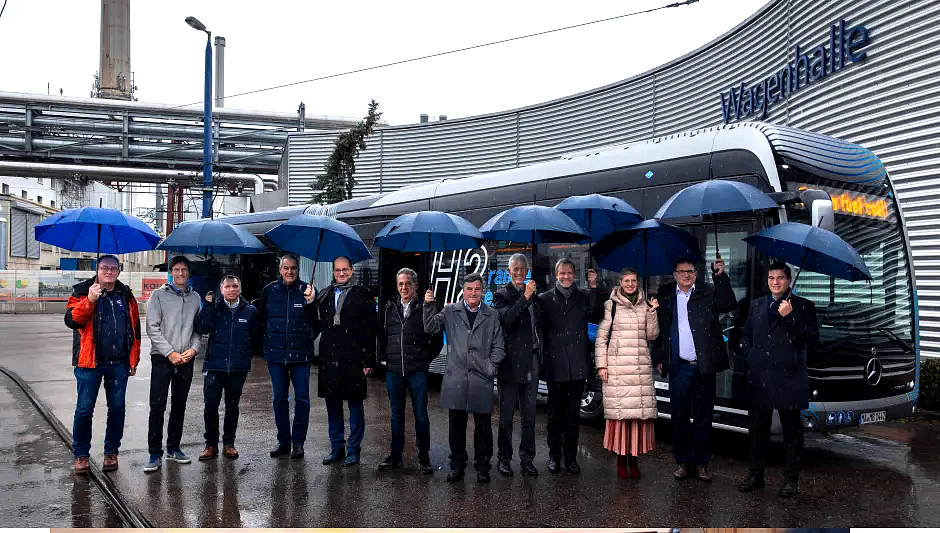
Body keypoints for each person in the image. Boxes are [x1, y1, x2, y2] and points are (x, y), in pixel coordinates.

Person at [651, 257, 736, 482]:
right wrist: (660, 358)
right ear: (675, 274)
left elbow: (728, 304)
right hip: (679, 366)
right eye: (682, 272)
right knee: (678, 417)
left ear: (696, 274)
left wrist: (721, 277)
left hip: (703, 367)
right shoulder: (666, 295)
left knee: (703, 417)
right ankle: (683, 462)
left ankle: (701, 463)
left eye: (690, 272)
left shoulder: (707, 292)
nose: (686, 275)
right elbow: (658, 329)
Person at [738, 262, 819, 497]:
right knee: (757, 431)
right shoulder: (756, 305)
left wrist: (790, 317)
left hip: (789, 378)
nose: (775, 282)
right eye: (771, 278)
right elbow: (746, 336)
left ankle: (791, 480)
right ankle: (756, 475)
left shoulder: (803, 306)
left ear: (789, 280)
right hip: (760, 376)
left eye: (780, 278)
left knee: (792, 433)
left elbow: (812, 339)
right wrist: (750, 356)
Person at [424, 273, 506, 483]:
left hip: (481, 377)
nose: (473, 293)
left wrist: (491, 367)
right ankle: (457, 464)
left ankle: (482, 466)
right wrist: (428, 305)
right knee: (456, 426)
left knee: (483, 427)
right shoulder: (451, 311)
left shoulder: (492, 314)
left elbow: (499, 346)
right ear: (463, 290)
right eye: (469, 289)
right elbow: (431, 327)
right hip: (457, 377)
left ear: (482, 291)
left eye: (477, 289)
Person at [65, 255, 141, 474]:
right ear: (96, 270)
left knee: (117, 409)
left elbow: (134, 329)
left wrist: (133, 358)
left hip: (118, 363)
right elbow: (72, 321)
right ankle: (81, 455)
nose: (109, 271)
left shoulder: (125, 294)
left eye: (113, 268)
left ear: (119, 271)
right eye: (104, 268)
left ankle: (111, 452)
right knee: (84, 410)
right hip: (90, 363)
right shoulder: (82, 291)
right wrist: (89, 300)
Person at [595, 268, 660, 479]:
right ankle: (621, 460)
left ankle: (634, 460)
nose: (630, 284)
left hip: (639, 368)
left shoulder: (646, 305)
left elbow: (652, 335)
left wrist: (652, 313)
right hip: (618, 369)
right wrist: (602, 366)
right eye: (627, 281)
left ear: (638, 281)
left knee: (638, 419)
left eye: (633, 280)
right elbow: (601, 338)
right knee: (621, 417)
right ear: (620, 282)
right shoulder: (611, 305)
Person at [536, 259, 599, 474]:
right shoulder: (543, 299)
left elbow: (597, 313)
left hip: (577, 367)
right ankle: (554, 456)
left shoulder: (584, 296)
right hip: (555, 367)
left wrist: (595, 288)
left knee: (573, 417)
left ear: (575, 274)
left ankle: (571, 458)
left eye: (570, 273)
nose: (566, 276)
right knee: (554, 416)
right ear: (556, 274)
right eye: (562, 273)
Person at [313, 256, 377, 467]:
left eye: (345, 270)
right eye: (337, 270)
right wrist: (307, 302)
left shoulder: (362, 295)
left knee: (355, 407)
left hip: (354, 359)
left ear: (351, 271)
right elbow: (314, 324)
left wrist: (368, 359)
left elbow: (370, 329)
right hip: (329, 358)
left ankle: (354, 450)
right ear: (333, 271)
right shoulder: (323, 294)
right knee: (333, 406)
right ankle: (336, 448)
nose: (341, 273)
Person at [144, 255, 205, 472]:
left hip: (186, 359)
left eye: (184, 270)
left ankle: (173, 447)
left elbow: (199, 330)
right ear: (171, 272)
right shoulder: (158, 296)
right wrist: (170, 353)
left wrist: (193, 350)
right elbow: (152, 328)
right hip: (162, 358)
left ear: (188, 273)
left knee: (179, 405)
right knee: (157, 406)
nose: (180, 274)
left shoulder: (195, 298)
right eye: (176, 270)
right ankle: (154, 453)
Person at [377, 267, 438, 475]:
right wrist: (386, 356)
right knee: (396, 416)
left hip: (417, 372)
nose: (404, 287)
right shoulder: (389, 307)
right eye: (401, 284)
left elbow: (437, 338)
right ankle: (395, 455)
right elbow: (383, 335)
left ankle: (424, 457)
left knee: (421, 416)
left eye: (408, 284)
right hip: (394, 371)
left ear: (415, 286)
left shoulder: (425, 307)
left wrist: (424, 359)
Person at [196, 275, 263, 461]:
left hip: (238, 368)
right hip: (215, 366)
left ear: (239, 289)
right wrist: (208, 305)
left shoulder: (250, 311)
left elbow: (256, 337)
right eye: (228, 286)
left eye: (235, 286)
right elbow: (202, 327)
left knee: (232, 407)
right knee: (210, 407)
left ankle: (229, 444)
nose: (232, 289)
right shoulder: (214, 307)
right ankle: (210, 445)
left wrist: (244, 354)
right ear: (222, 289)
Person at [259, 254, 318, 459]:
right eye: (286, 268)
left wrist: (310, 303)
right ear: (280, 269)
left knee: (302, 400)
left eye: (293, 268)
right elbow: (262, 320)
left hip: (301, 357)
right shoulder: (269, 291)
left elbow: (316, 323)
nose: (289, 272)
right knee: (279, 400)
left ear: (298, 269)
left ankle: (298, 443)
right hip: (276, 357)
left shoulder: (307, 291)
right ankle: (283, 441)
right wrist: (266, 347)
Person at [491, 253, 542, 477]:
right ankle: (504, 459)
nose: (519, 272)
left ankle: (527, 458)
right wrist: (525, 298)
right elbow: (506, 320)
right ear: (509, 271)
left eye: (523, 268)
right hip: (510, 364)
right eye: (515, 269)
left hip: (531, 361)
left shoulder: (535, 296)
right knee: (507, 416)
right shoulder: (501, 295)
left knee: (530, 416)